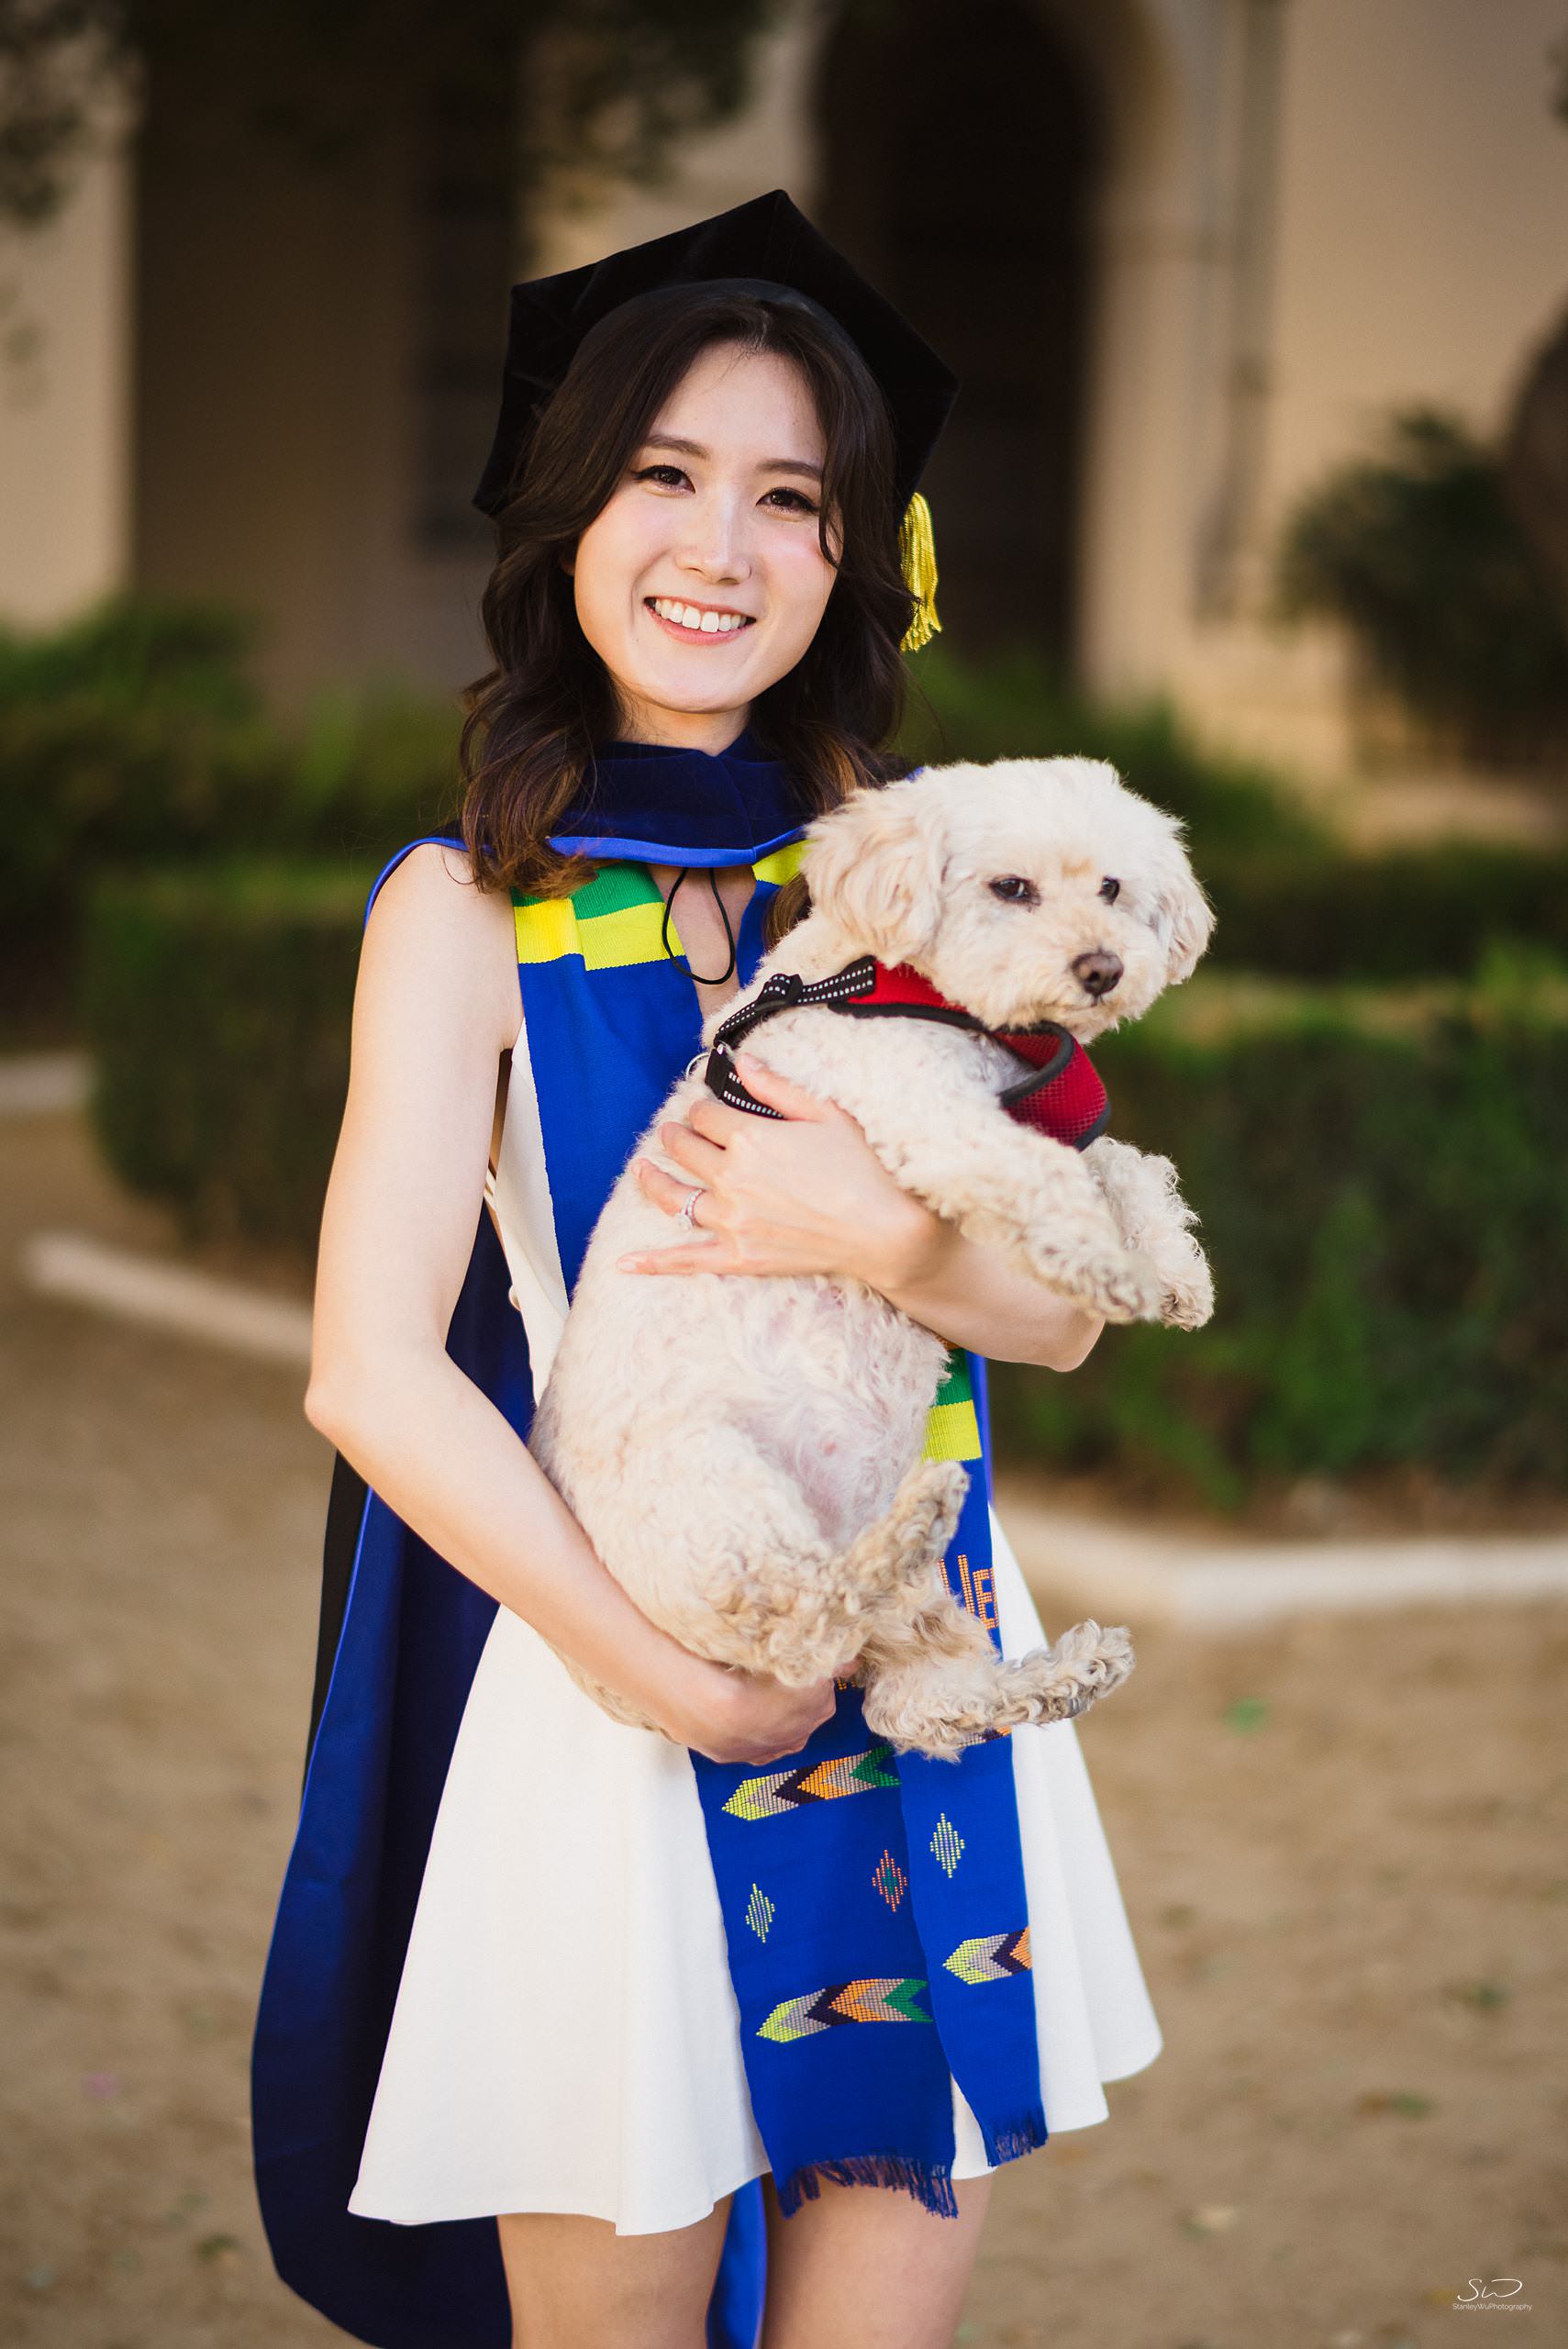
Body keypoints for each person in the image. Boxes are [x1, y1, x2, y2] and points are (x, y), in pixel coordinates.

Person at [250, 190, 1163, 2349]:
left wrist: (885, 1233)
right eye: (663, 476)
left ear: (852, 558)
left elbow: (1063, 1309)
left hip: (923, 1637)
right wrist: (672, 1684)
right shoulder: (463, 912)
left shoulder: (927, 870)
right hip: (608, 1667)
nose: (718, 548)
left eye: (790, 498)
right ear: (570, 514)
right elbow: (372, 1371)